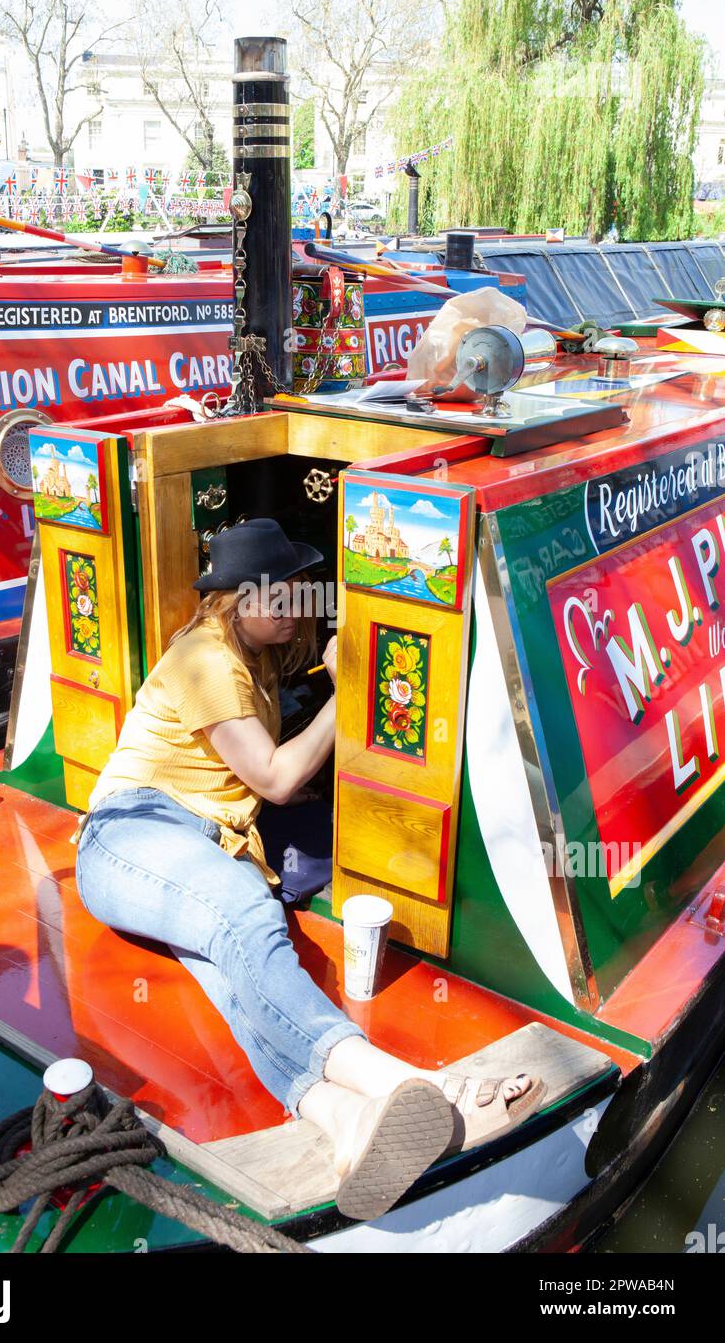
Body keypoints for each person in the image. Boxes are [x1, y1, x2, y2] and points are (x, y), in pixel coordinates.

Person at [76, 519, 544, 1220]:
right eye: (285, 595)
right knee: (247, 918)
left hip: (202, 844)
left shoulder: (255, 654)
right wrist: (348, 685)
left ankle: (345, 1120)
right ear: (243, 601)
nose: (299, 606)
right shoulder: (205, 659)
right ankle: (412, 1085)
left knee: (234, 974)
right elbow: (274, 777)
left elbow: (271, 748)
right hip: (132, 833)